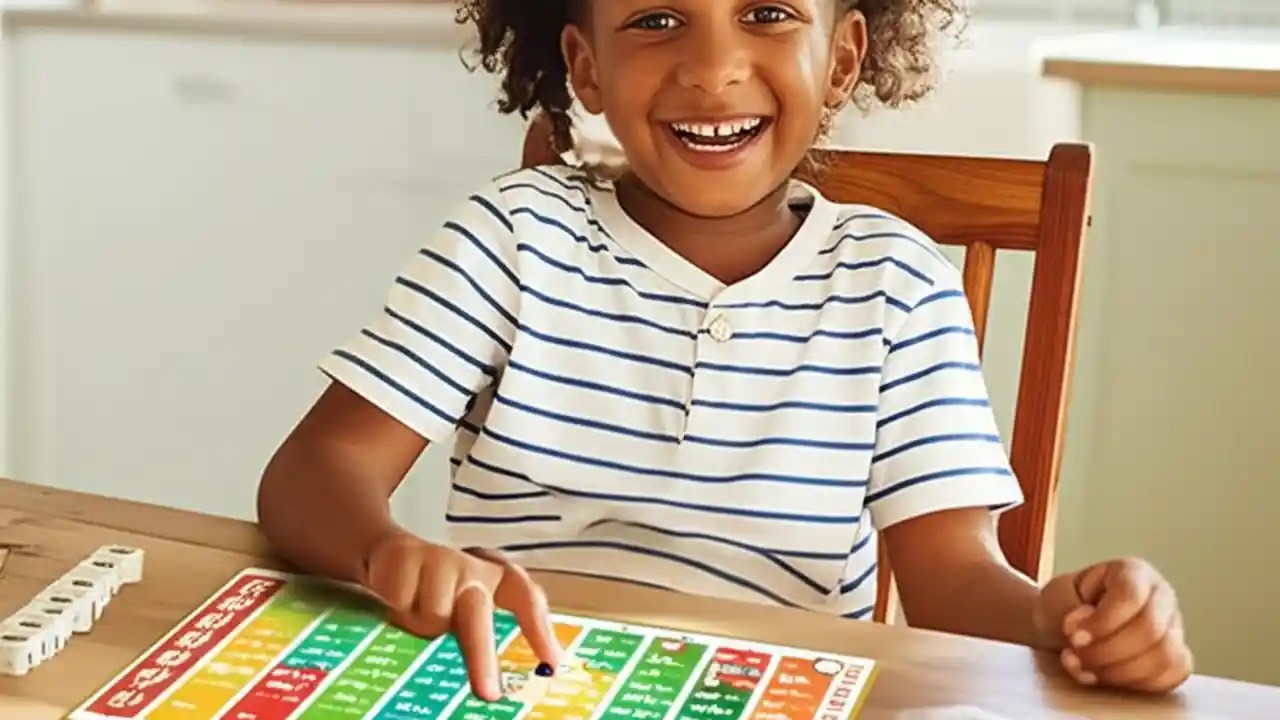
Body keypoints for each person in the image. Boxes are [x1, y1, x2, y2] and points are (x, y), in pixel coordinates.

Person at [257, 0, 1193, 702]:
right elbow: (313, 472)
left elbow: (952, 580)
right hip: (513, 686)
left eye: (768, 13)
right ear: (586, 67)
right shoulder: (514, 235)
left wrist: (1057, 617)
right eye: (658, 18)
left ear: (843, 57)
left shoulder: (896, 284)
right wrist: (383, 551)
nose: (713, 70)